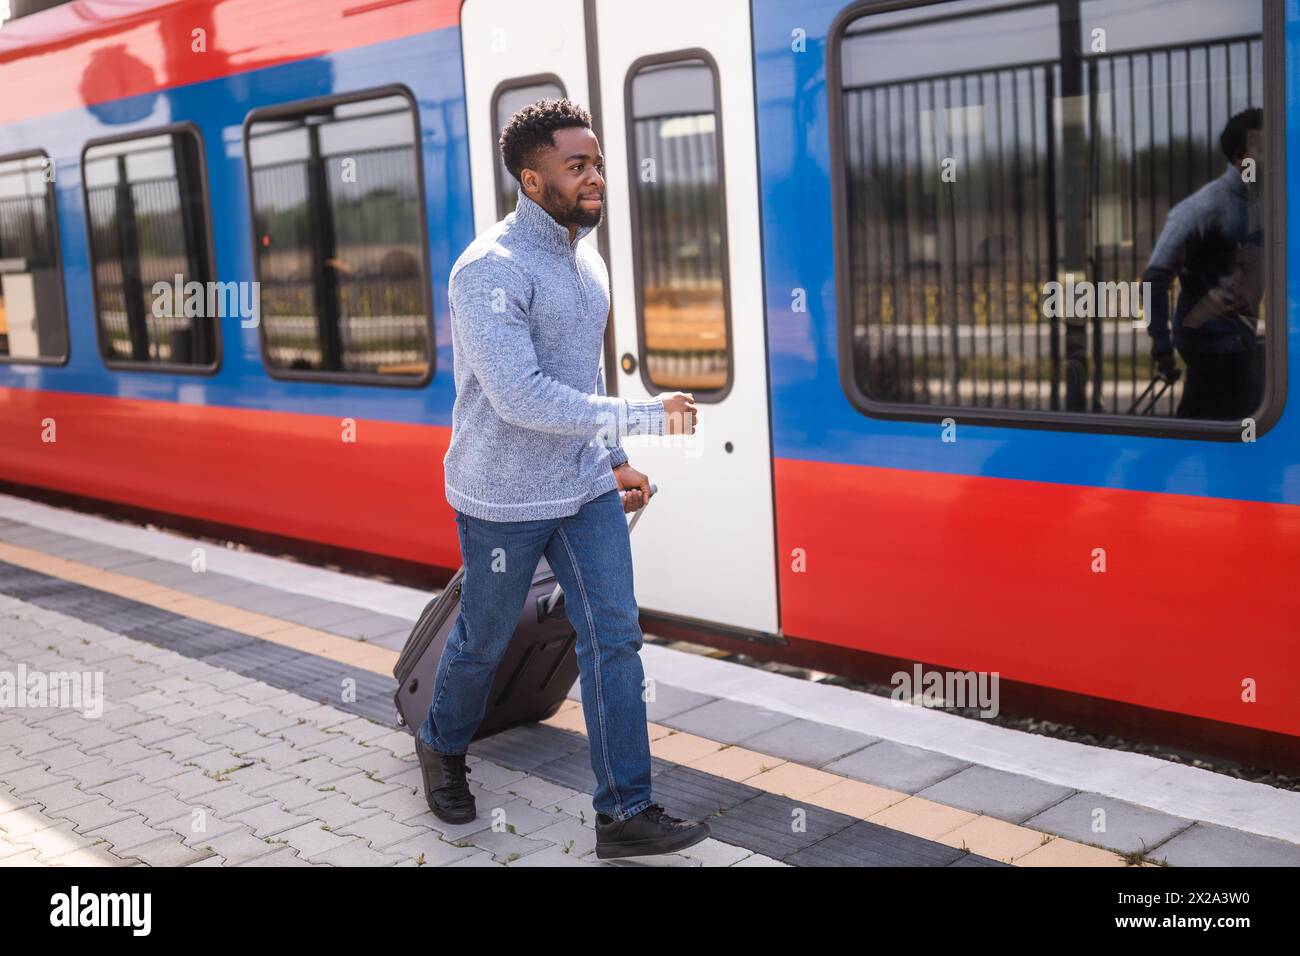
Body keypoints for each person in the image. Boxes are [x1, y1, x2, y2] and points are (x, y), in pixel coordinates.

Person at [415, 97, 708, 860]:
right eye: (577, 165)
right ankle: (441, 745)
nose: (596, 177)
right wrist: (647, 418)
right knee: (482, 638)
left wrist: (613, 459)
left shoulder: (586, 257)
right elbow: (520, 398)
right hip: (503, 497)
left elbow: (581, 374)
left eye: (598, 163)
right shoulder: (489, 271)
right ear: (531, 177)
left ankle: (625, 813)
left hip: (581, 489)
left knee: (615, 638)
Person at [1142, 108, 1264, 420]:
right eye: (1265, 148)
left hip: (1237, 340)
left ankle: (1150, 463)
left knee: (1204, 426)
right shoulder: (1202, 208)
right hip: (1210, 344)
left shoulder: (1266, 200)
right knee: (1237, 425)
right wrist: (1161, 344)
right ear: (1241, 159)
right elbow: (1155, 276)